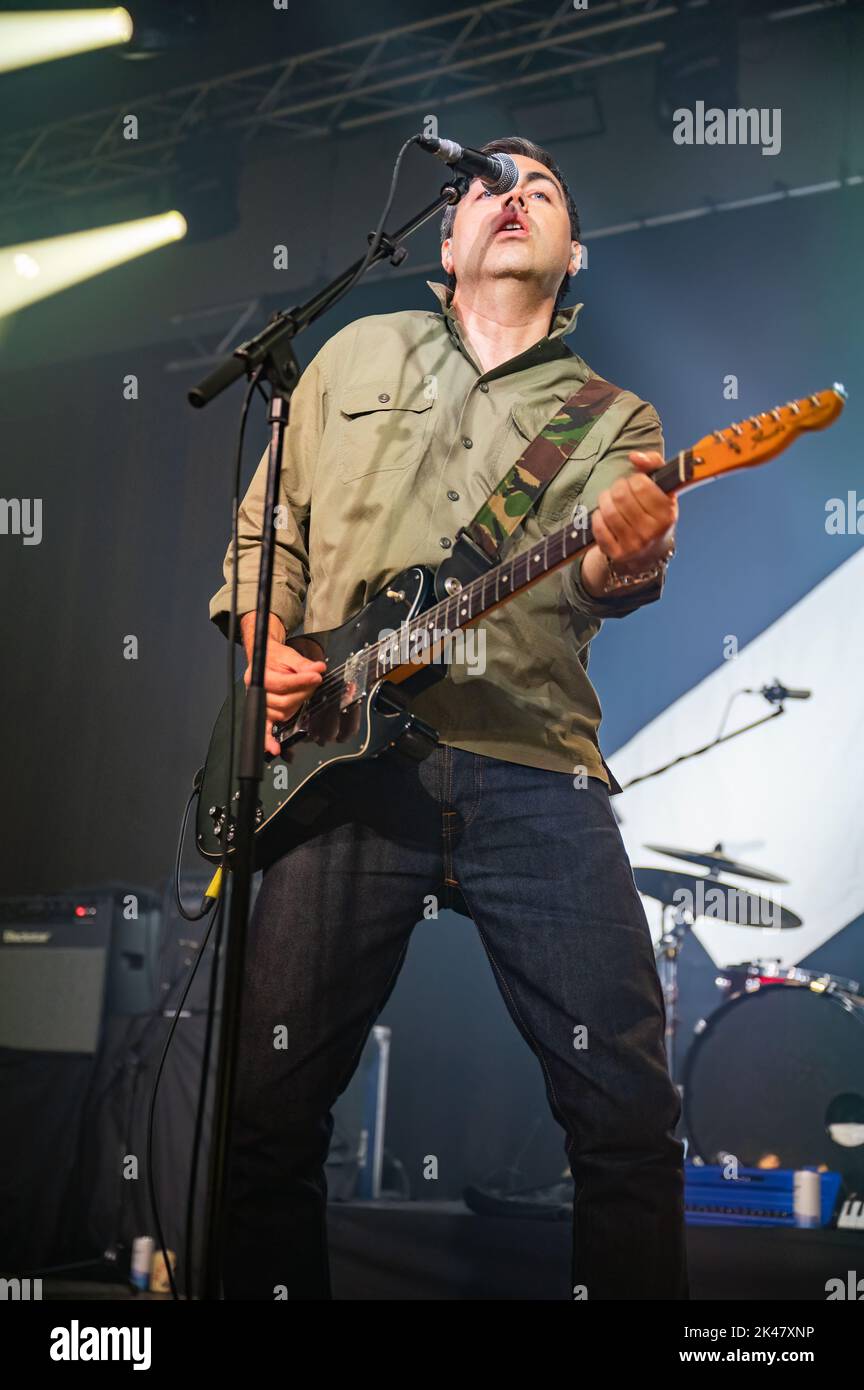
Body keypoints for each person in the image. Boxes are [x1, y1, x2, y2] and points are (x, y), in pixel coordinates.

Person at [209, 135, 687, 1300]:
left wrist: (625, 562)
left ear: (573, 255)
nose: (512, 197)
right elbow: (270, 533)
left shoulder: (614, 420)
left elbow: (598, 584)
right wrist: (265, 645)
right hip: (339, 767)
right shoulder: (349, 355)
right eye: (487, 183)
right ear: (444, 234)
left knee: (626, 1115)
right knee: (264, 1116)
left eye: (543, 190)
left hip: (533, 760)